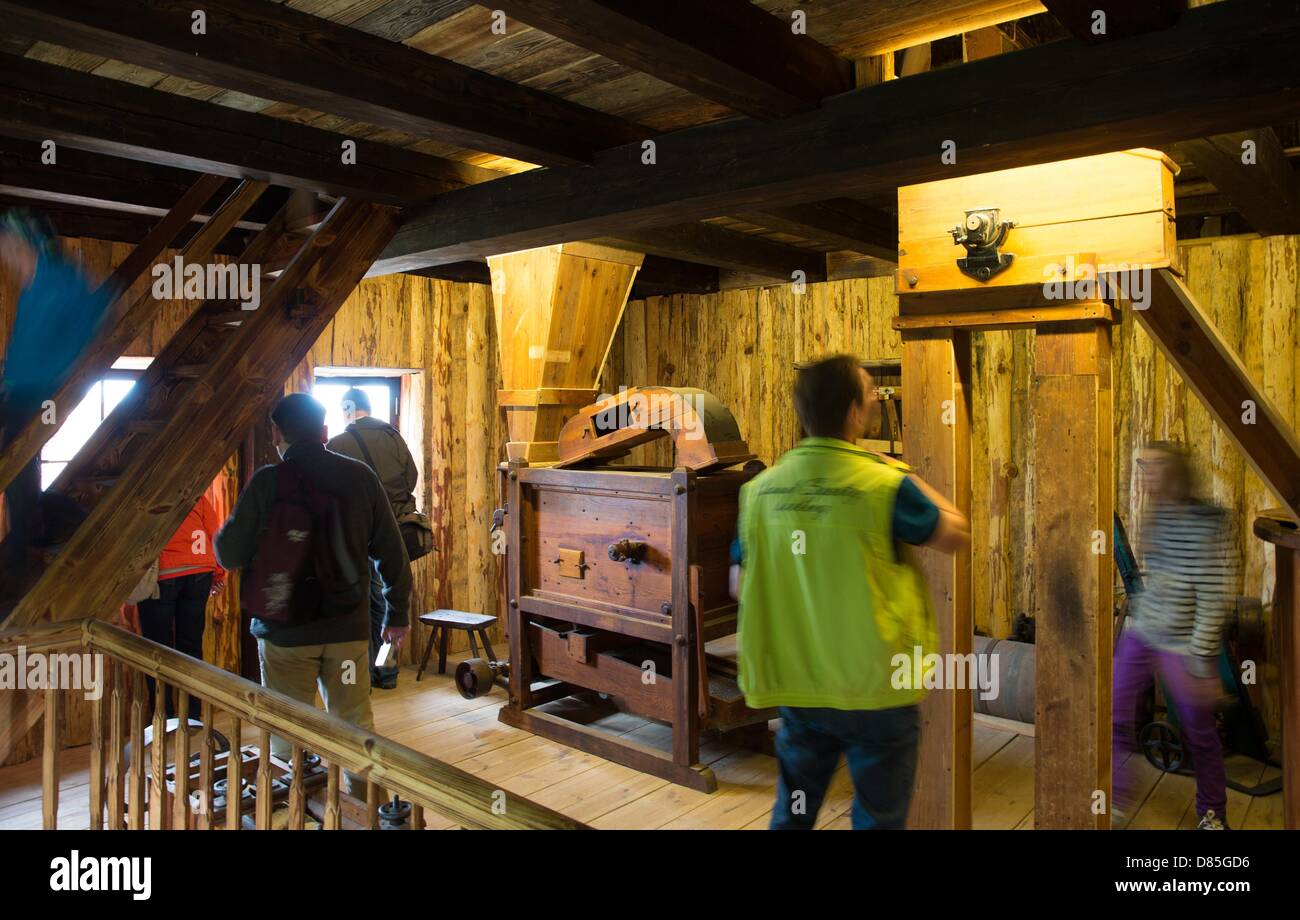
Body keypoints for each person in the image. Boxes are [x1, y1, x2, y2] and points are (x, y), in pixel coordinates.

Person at [732, 354, 969, 830]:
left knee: (792, 814)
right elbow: (956, 535)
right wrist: (908, 474)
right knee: (879, 818)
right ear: (853, 413)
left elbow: (740, 586)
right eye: (870, 395)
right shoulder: (882, 484)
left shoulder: (760, 491)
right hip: (875, 688)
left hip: (799, 685)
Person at [215, 394, 410, 789]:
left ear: (276, 434)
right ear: (324, 431)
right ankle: (366, 809)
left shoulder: (268, 482)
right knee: (355, 722)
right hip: (348, 632)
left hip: (286, 635)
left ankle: (298, 809)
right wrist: (397, 614)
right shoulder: (361, 478)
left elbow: (229, 553)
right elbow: (392, 552)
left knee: (290, 728)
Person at [1113, 441, 1236, 830]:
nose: (1147, 473)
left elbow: (1212, 600)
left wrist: (1201, 663)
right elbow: (1160, 580)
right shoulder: (1156, 515)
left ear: (1177, 472)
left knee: (1199, 733)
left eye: (1156, 466)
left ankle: (1212, 815)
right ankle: (1112, 805)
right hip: (1146, 631)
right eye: (1143, 465)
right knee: (1115, 714)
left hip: (1183, 644)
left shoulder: (1205, 522)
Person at [0, 210, 112, 601]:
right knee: (17, 473)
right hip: (16, 390)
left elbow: (98, 307)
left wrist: (58, 373)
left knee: (15, 469)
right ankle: (47, 525)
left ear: (24, 244)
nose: (7, 259)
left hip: (36, 391)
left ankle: (35, 540)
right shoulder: (37, 284)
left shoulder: (58, 279)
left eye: (9, 248)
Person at [326, 386, 418, 690]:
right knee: (387, 604)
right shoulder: (394, 437)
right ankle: (386, 672)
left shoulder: (337, 444)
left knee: (360, 605)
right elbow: (412, 475)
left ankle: (360, 675)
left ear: (347, 410)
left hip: (355, 534)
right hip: (395, 531)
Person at [138, 494, 226, 722]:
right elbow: (215, 532)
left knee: (157, 648)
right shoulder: (198, 495)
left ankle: (163, 715)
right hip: (200, 571)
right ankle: (193, 716)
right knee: (191, 647)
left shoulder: (149, 493)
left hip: (164, 573)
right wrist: (218, 572)